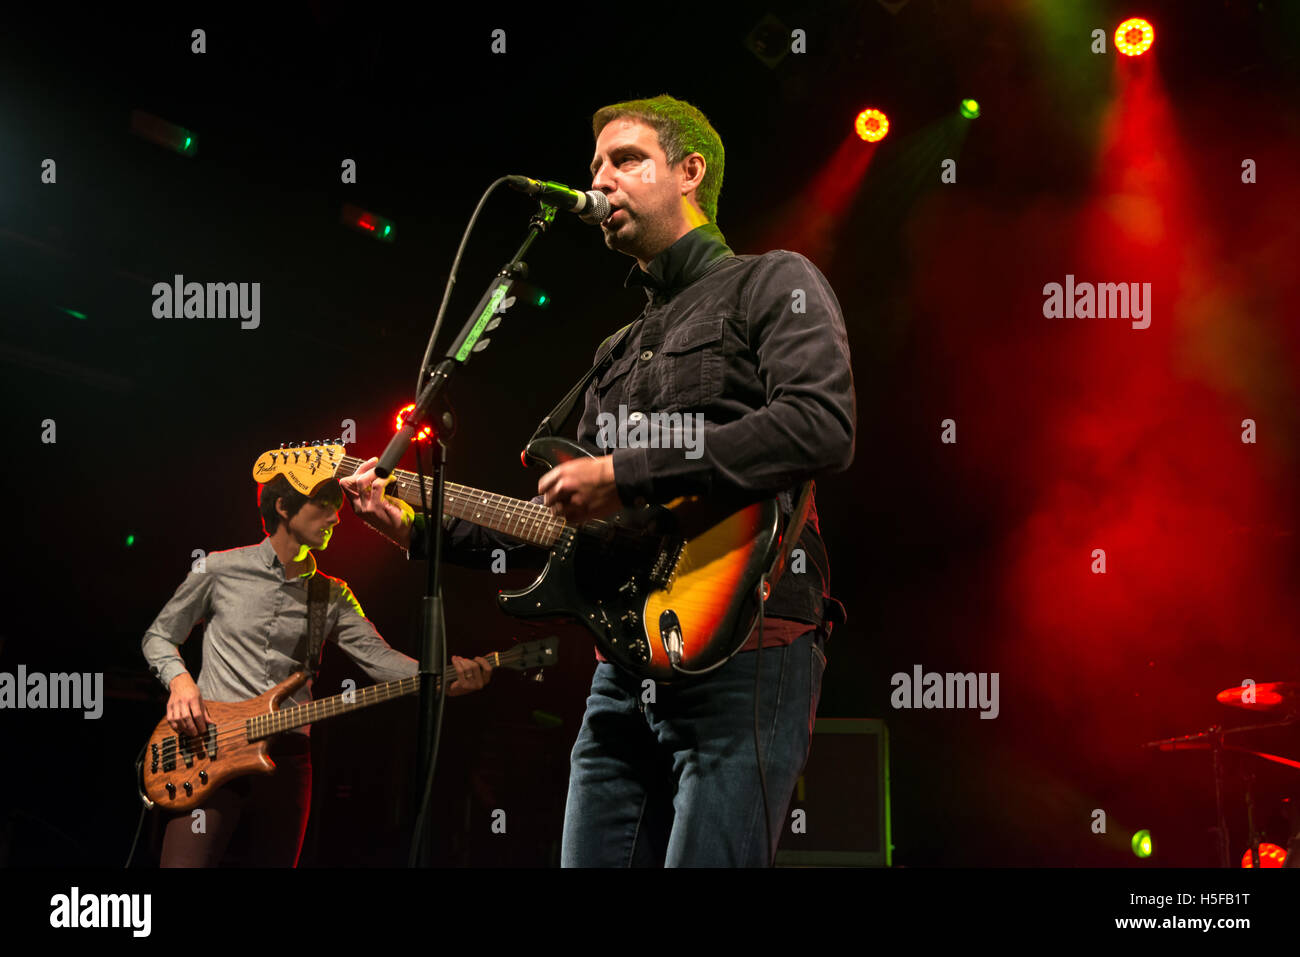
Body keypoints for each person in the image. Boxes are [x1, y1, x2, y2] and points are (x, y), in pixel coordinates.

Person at [344, 93, 855, 866]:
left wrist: (629, 472)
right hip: (622, 670)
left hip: (747, 636)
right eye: (594, 167)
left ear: (690, 171)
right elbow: (568, 527)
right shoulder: (616, 348)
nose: (600, 180)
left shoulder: (772, 282)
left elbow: (821, 424)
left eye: (625, 160)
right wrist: (418, 527)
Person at [141, 473, 493, 867]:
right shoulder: (219, 569)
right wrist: (180, 682)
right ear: (283, 507)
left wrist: (442, 679)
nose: (335, 519)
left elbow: (381, 659)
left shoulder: (332, 593)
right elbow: (158, 636)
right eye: (323, 506)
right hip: (209, 749)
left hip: (287, 761)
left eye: (336, 508)